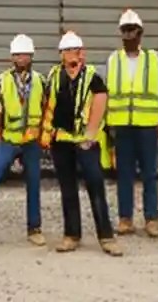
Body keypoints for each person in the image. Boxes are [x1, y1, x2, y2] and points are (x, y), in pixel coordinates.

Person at [42, 31, 122, 256]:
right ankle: (71, 234)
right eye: (66, 51)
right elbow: (49, 106)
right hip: (62, 141)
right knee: (68, 189)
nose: (70, 55)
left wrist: (90, 133)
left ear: (81, 52)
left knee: (95, 186)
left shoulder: (92, 77)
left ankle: (106, 236)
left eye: (73, 50)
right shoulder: (55, 76)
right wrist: (48, 136)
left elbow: (100, 100)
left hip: (86, 143)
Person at [0, 34, 47, 251]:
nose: (21, 58)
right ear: (12, 57)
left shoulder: (41, 81)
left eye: (25, 54)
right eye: (17, 55)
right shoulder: (1, 81)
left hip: (31, 141)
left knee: (33, 184)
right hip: (8, 140)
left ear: (31, 56)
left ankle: (34, 229)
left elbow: (46, 106)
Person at [105, 8, 158, 237]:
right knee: (124, 174)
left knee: (150, 173)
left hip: (147, 126)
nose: (129, 35)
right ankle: (125, 218)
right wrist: (108, 123)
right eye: (125, 31)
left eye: (133, 30)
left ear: (141, 34)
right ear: (121, 34)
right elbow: (107, 92)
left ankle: (151, 218)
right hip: (122, 126)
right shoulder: (114, 60)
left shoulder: (153, 60)